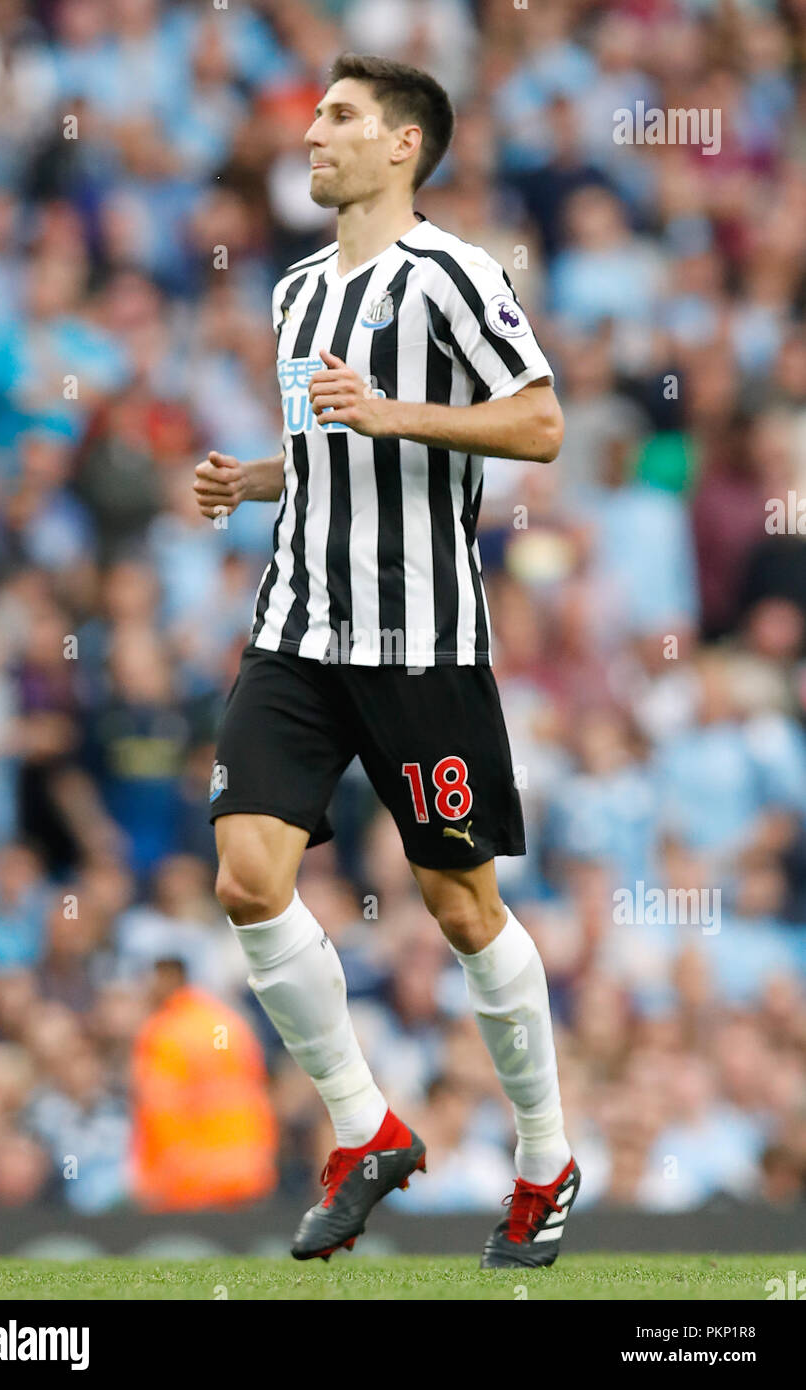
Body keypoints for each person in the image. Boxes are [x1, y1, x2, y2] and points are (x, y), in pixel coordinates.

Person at [193, 53, 576, 1268]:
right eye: (314, 113)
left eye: (339, 116)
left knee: (463, 909)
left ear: (403, 144)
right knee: (250, 880)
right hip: (298, 629)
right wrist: (253, 477)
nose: (311, 132)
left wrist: (399, 412)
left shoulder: (456, 275)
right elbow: (325, 451)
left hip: (421, 644)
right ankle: (365, 1131)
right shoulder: (298, 290)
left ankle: (544, 1159)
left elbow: (540, 422)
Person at [130, 958, 277, 1211]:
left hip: (189, 1182)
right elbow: (258, 1091)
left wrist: (158, 1176)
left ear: (167, 978)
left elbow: (160, 1109)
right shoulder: (231, 1023)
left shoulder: (165, 1032)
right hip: (246, 1170)